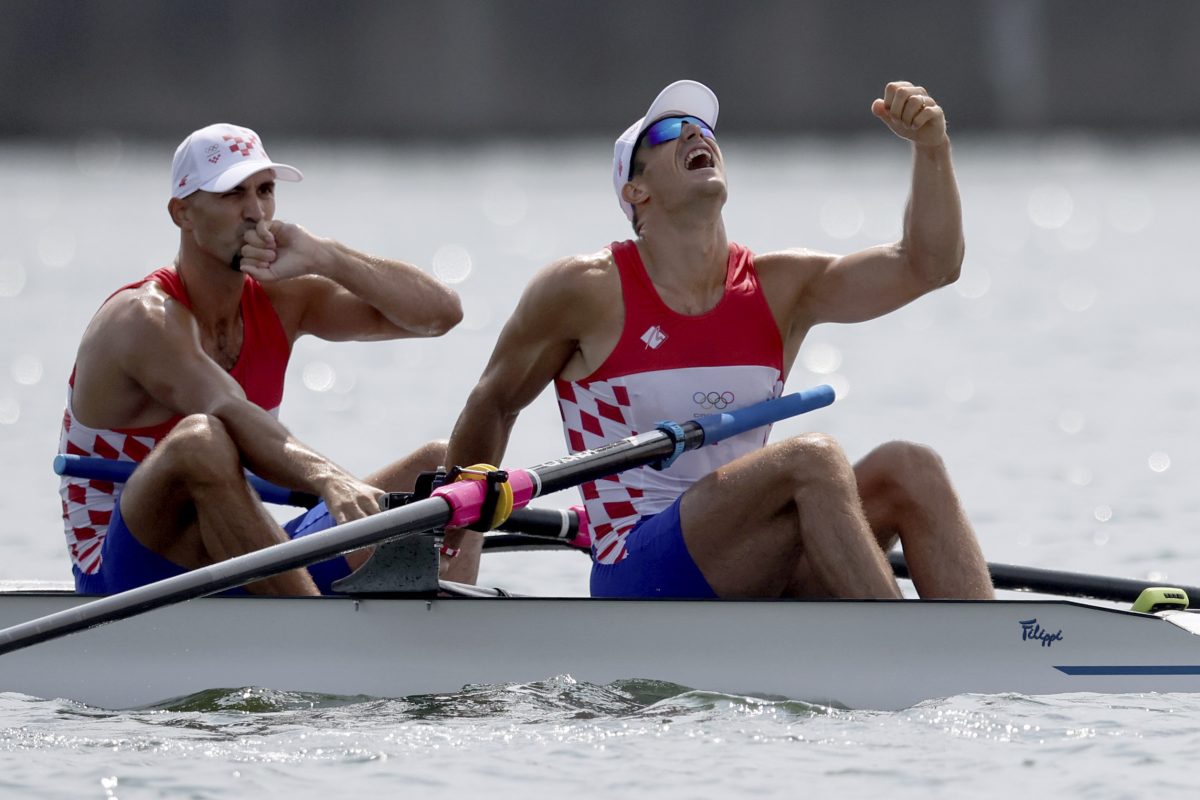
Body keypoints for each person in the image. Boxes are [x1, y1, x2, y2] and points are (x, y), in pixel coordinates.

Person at [440, 79, 994, 600]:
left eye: (702, 129)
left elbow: (930, 266)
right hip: (635, 563)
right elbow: (493, 402)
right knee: (814, 459)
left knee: (909, 466)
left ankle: (992, 659)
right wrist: (455, 533)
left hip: (747, 553)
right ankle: (903, 651)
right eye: (666, 131)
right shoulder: (586, 290)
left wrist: (932, 148)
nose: (693, 134)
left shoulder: (780, 288)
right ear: (637, 191)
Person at [58, 122, 463, 596]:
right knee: (200, 440)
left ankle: (448, 640)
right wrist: (330, 479)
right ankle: (305, 636)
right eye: (232, 194)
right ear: (182, 212)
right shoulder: (143, 318)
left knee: (445, 467)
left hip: (231, 553)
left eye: (265, 190)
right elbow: (227, 410)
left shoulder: (282, 299)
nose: (255, 212)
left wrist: (326, 256)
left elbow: (440, 314)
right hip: (125, 568)